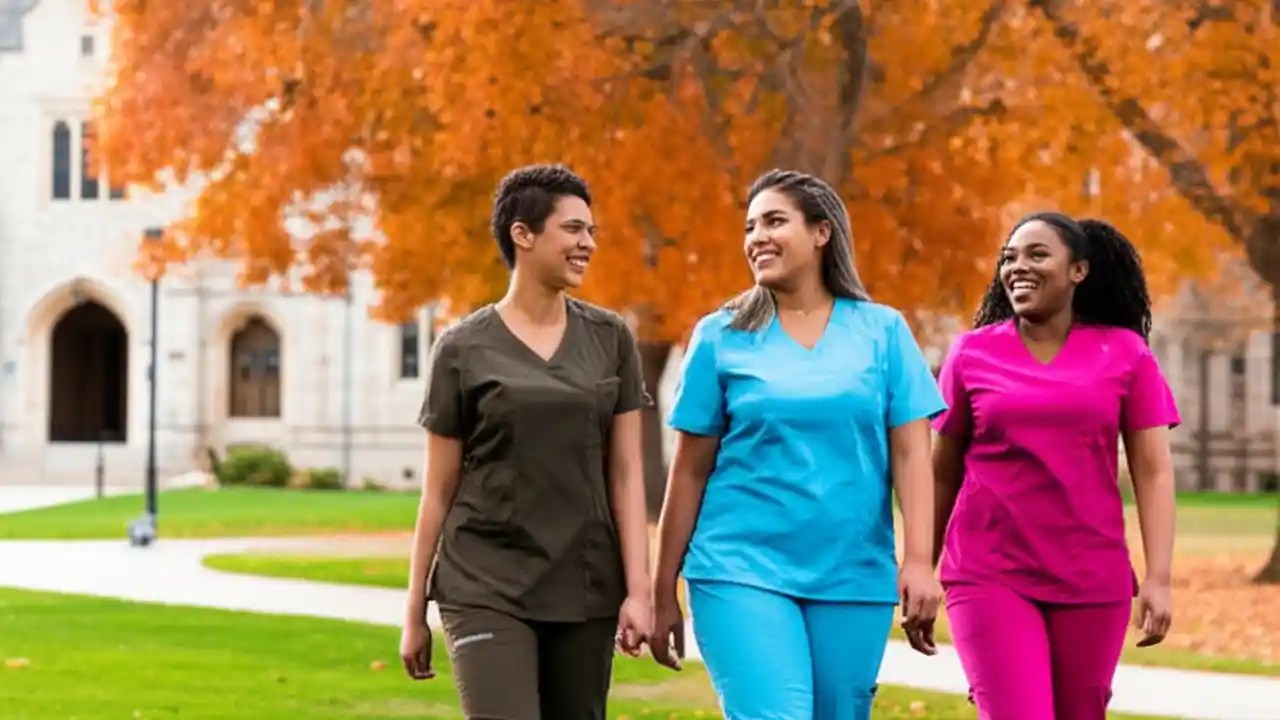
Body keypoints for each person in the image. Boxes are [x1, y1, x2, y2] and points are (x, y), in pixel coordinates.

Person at [650, 169, 946, 720]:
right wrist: (660, 588)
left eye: (774, 221)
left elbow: (911, 455)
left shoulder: (883, 332)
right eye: (750, 226)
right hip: (740, 566)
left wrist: (920, 561)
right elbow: (688, 471)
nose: (757, 236)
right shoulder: (720, 335)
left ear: (821, 232)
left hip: (853, 574)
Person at [398, 164, 653, 720]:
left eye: (591, 232)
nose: (587, 243)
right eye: (573, 229)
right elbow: (437, 491)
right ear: (523, 234)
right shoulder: (461, 349)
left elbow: (628, 474)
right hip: (484, 580)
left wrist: (640, 589)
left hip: (585, 584)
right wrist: (414, 607)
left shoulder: (610, 339)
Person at [931, 212, 1179, 720]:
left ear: (1078, 271)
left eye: (1037, 254)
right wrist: (919, 563)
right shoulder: (971, 354)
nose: (1018, 267)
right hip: (988, 571)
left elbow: (1152, 471)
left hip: (1092, 577)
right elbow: (941, 470)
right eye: (1009, 258)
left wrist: (1159, 576)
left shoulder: (1125, 354)